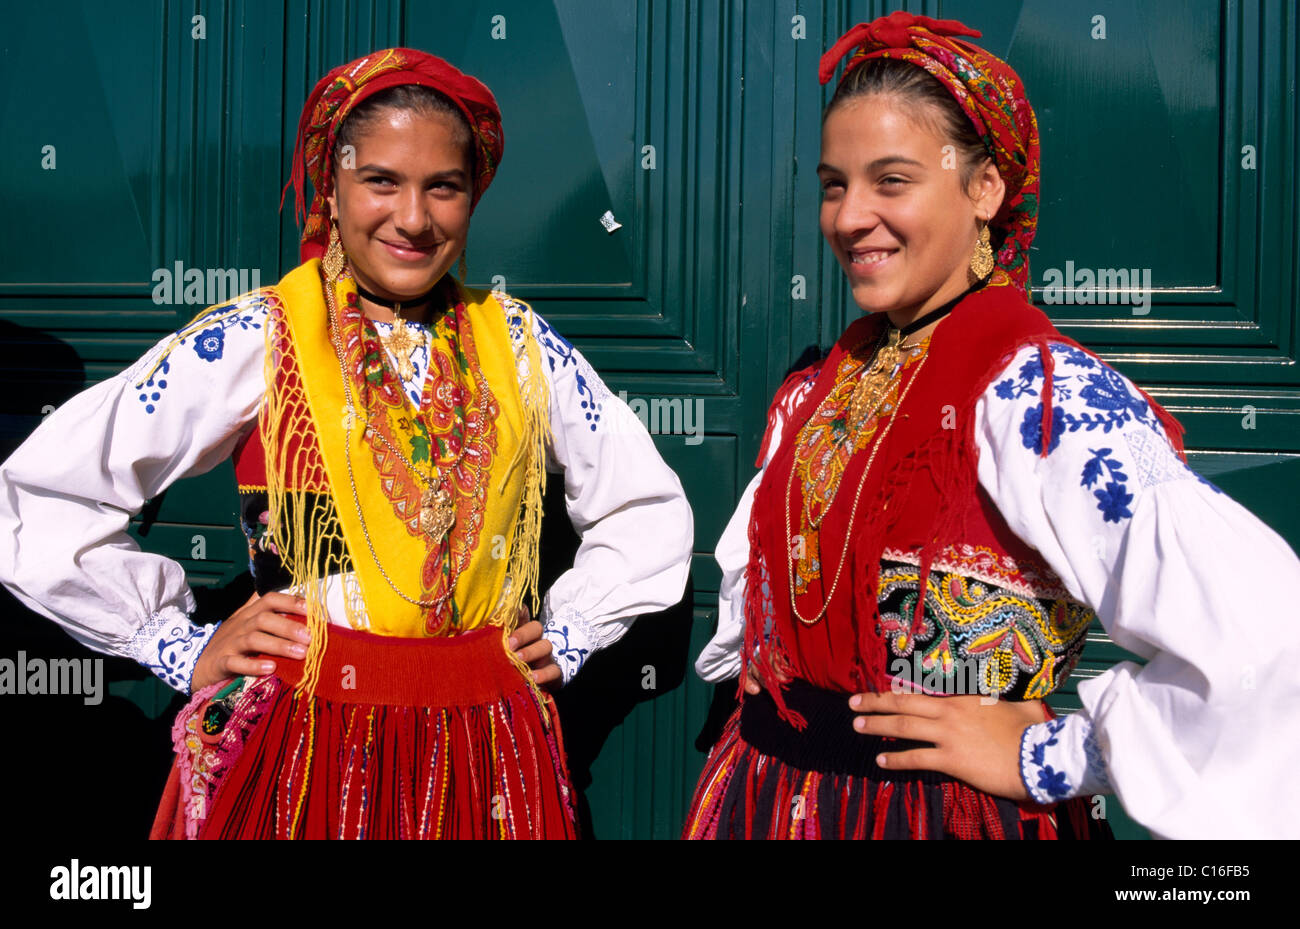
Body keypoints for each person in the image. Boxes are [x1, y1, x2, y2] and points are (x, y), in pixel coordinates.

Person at [0, 47, 693, 839]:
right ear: (331, 187)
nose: (412, 217)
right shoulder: (260, 335)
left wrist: (567, 636)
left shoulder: (522, 345)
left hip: (485, 745)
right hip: (304, 744)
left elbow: (646, 507)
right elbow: (44, 495)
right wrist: (177, 645)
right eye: (382, 181)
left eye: (445, 187)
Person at [684, 12, 1300, 839]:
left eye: (891, 181)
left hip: (937, 819)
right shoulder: (823, 384)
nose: (849, 217)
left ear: (985, 189)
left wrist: (1052, 753)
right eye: (834, 184)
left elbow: (1264, 635)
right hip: (764, 802)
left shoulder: (1037, 392)